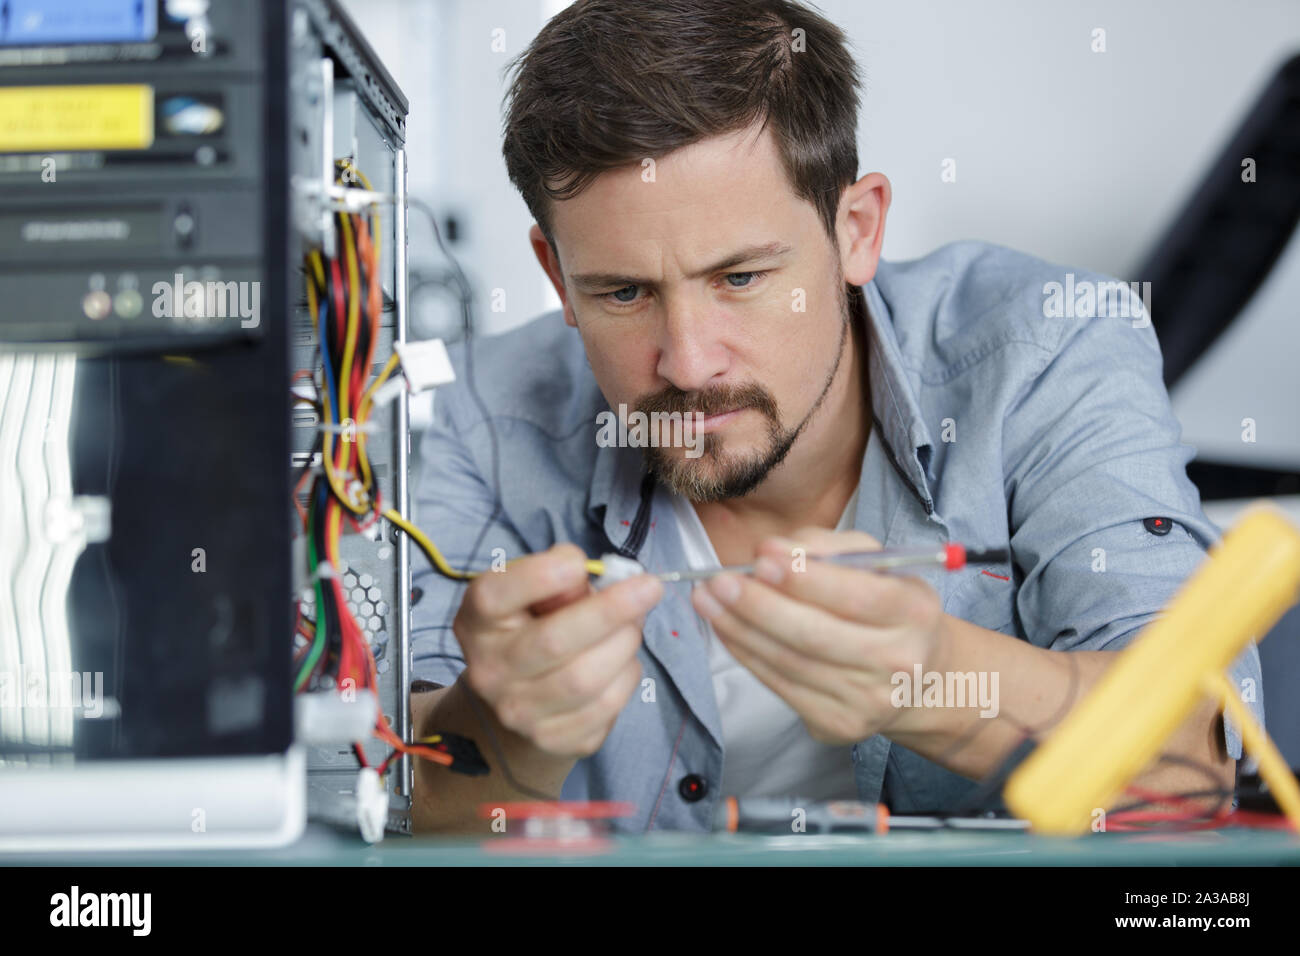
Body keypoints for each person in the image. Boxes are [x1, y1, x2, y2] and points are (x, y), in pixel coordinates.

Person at [407, 0, 1263, 834]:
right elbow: (387, 797)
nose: (690, 361)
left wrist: (934, 681)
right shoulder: (485, 417)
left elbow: (1193, 765)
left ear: (856, 229)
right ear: (557, 277)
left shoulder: (1046, 350)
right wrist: (500, 726)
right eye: (624, 292)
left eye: (741, 279)